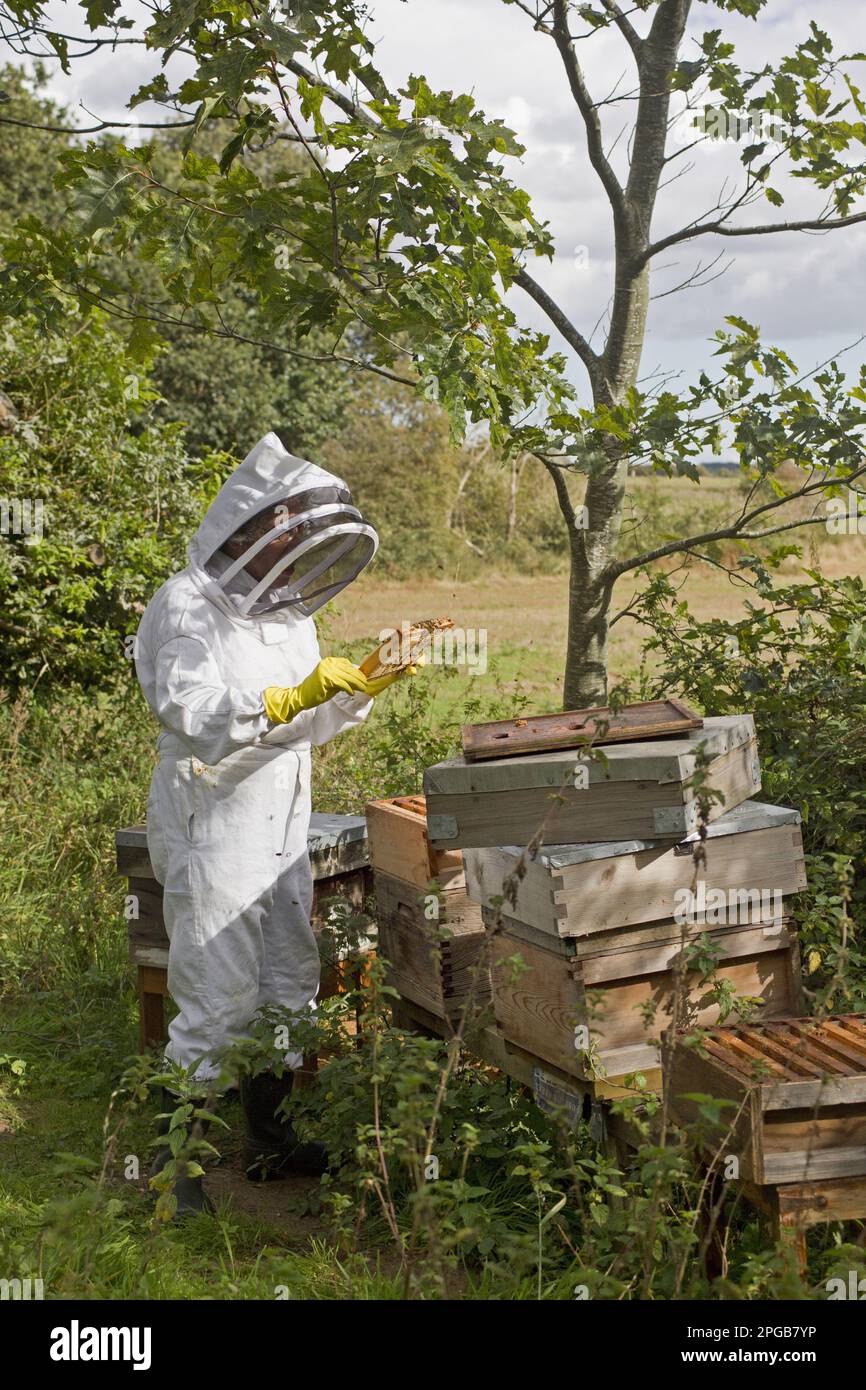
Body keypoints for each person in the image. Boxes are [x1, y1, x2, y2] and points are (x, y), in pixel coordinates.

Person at [134, 432, 407, 1212]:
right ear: (247, 526)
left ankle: (270, 1141)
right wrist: (286, 699)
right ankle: (175, 1169)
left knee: (286, 978)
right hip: (213, 813)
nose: (290, 546)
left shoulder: (288, 618)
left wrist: (360, 688)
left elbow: (307, 725)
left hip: (282, 816)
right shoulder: (187, 603)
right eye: (282, 530)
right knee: (216, 986)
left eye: (299, 533)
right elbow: (193, 713)